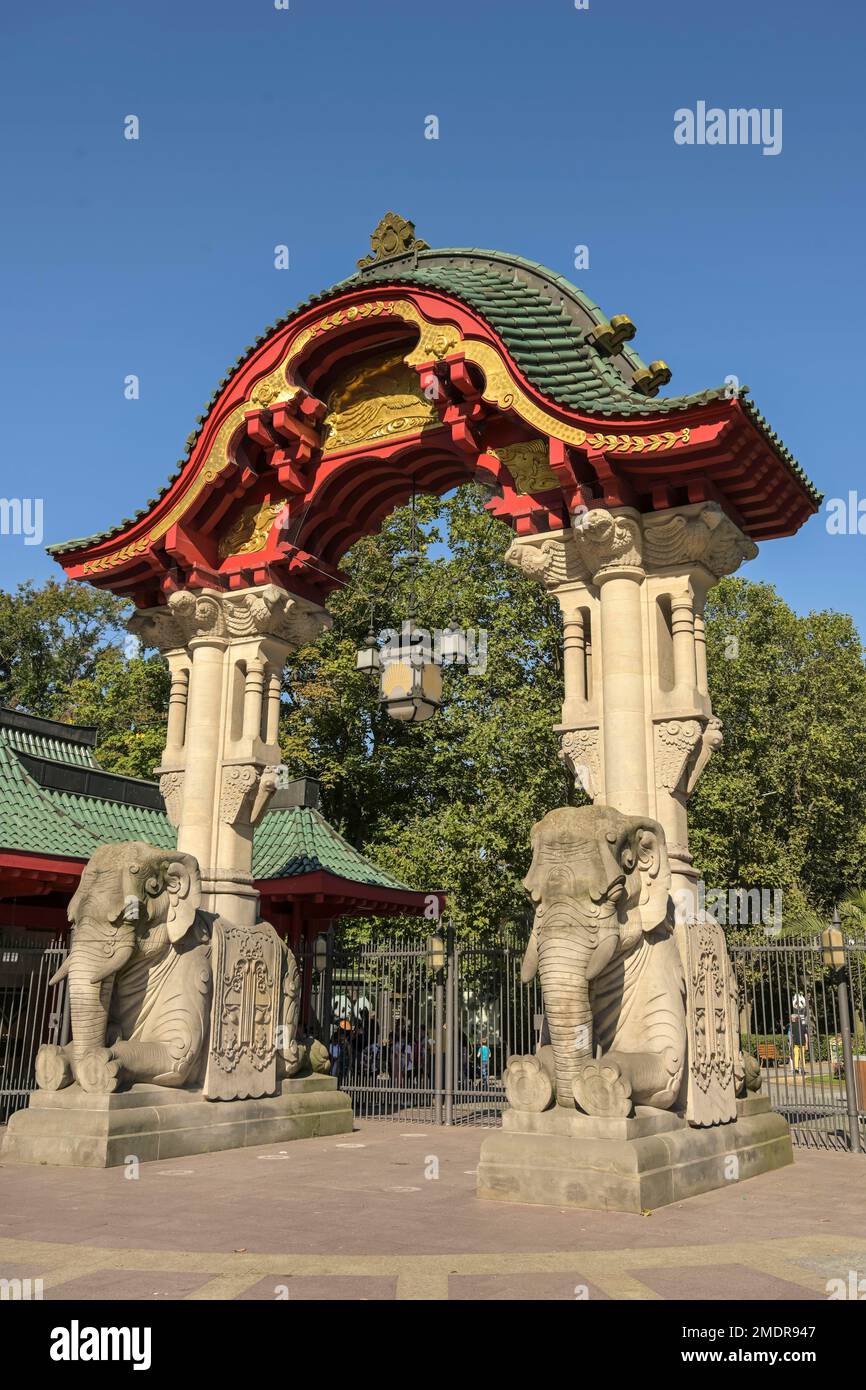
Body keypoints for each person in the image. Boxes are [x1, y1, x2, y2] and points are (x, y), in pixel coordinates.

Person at [790, 992, 809, 1076]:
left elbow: (791, 1035)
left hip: (796, 1043)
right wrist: (807, 1043)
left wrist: (791, 1043)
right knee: (802, 1057)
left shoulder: (793, 1026)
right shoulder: (803, 1025)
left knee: (796, 1056)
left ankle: (796, 1069)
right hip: (801, 1042)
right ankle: (803, 1069)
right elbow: (805, 1035)